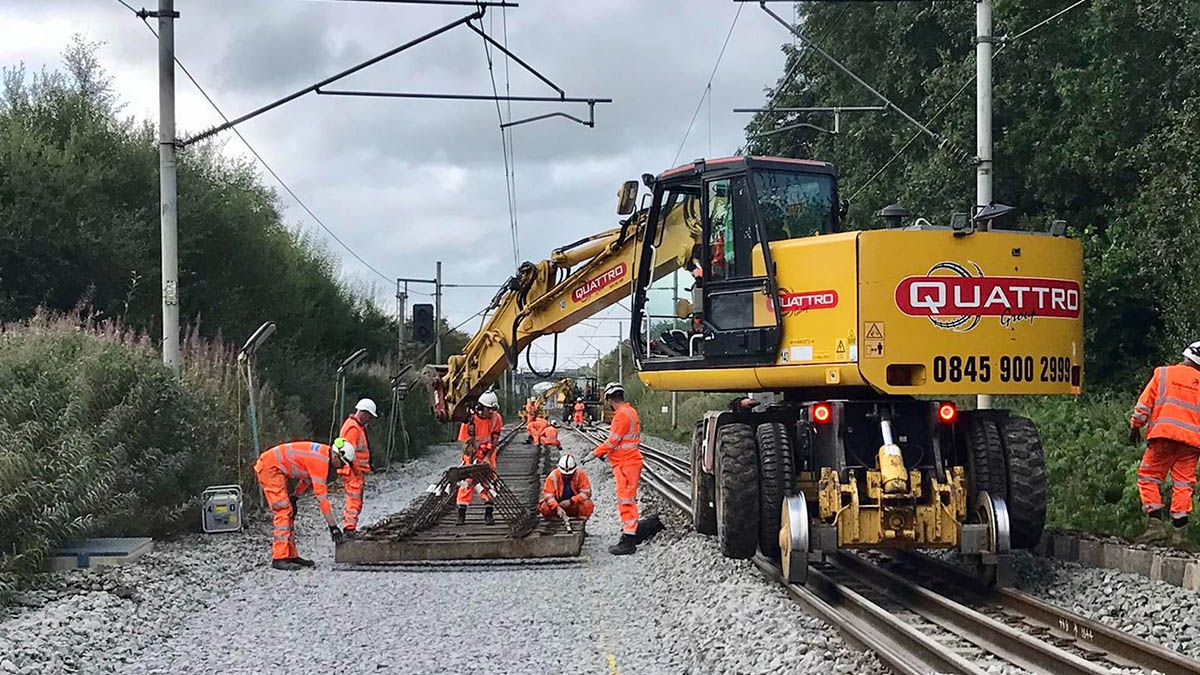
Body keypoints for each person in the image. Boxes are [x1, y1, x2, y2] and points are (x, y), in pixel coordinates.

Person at [1131, 341, 1200, 545]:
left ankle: (1155, 525)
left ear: (1186, 356)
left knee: (1149, 477)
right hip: (1191, 444)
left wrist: (1135, 426)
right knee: (1183, 483)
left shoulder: (1163, 374)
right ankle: (1179, 534)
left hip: (1163, 437)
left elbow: (1143, 406)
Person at [254, 437, 355, 570]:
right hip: (269, 468)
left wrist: (295, 496)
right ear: (337, 456)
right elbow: (322, 498)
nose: (341, 467)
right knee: (283, 511)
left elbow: (306, 479)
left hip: (272, 466)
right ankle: (279, 558)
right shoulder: (321, 462)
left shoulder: (322, 454)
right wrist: (333, 527)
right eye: (342, 463)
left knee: (288, 511)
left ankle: (290, 555)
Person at [583, 382, 644, 555]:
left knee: (626, 501)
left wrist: (593, 454)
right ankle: (629, 533)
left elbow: (612, 441)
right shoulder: (630, 411)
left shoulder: (621, 416)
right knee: (628, 500)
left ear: (609, 399)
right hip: (629, 461)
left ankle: (629, 540)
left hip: (626, 464)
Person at [457, 391, 503, 526]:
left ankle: (488, 514)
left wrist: (487, 456)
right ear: (480, 408)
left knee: (489, 483)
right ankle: (461, 514)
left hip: (488, 453)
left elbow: (495, 438)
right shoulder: (469, 421)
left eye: (493, 410)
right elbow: (465, 444)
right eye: (489, 409)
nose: (491, 412)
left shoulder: (496, 418)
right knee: (467, 483)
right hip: (472, 454)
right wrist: (472, 462)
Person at [338, 398, 376, 538]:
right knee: (353, 501)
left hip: (354, 470)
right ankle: (349, 529)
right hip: (352, 471)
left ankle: (350, 528)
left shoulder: (355, 426)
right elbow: (349, 453)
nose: (370, 420)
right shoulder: (353, 428)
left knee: (355, 500)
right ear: (364, 413)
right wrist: (356, 470)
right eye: (370, 416)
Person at [538, 453, 594, 522]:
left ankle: (580, 522)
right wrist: (557, 507)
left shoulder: (580, 474)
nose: (567, 476)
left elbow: (586, 493)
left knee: (587, 505)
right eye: (564, 474)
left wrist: (571, 501)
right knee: (545, 507)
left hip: (574, 504)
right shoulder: (553, 476)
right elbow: (548, 495)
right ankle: (554, 521)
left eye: (569, 474)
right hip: (558, 504)